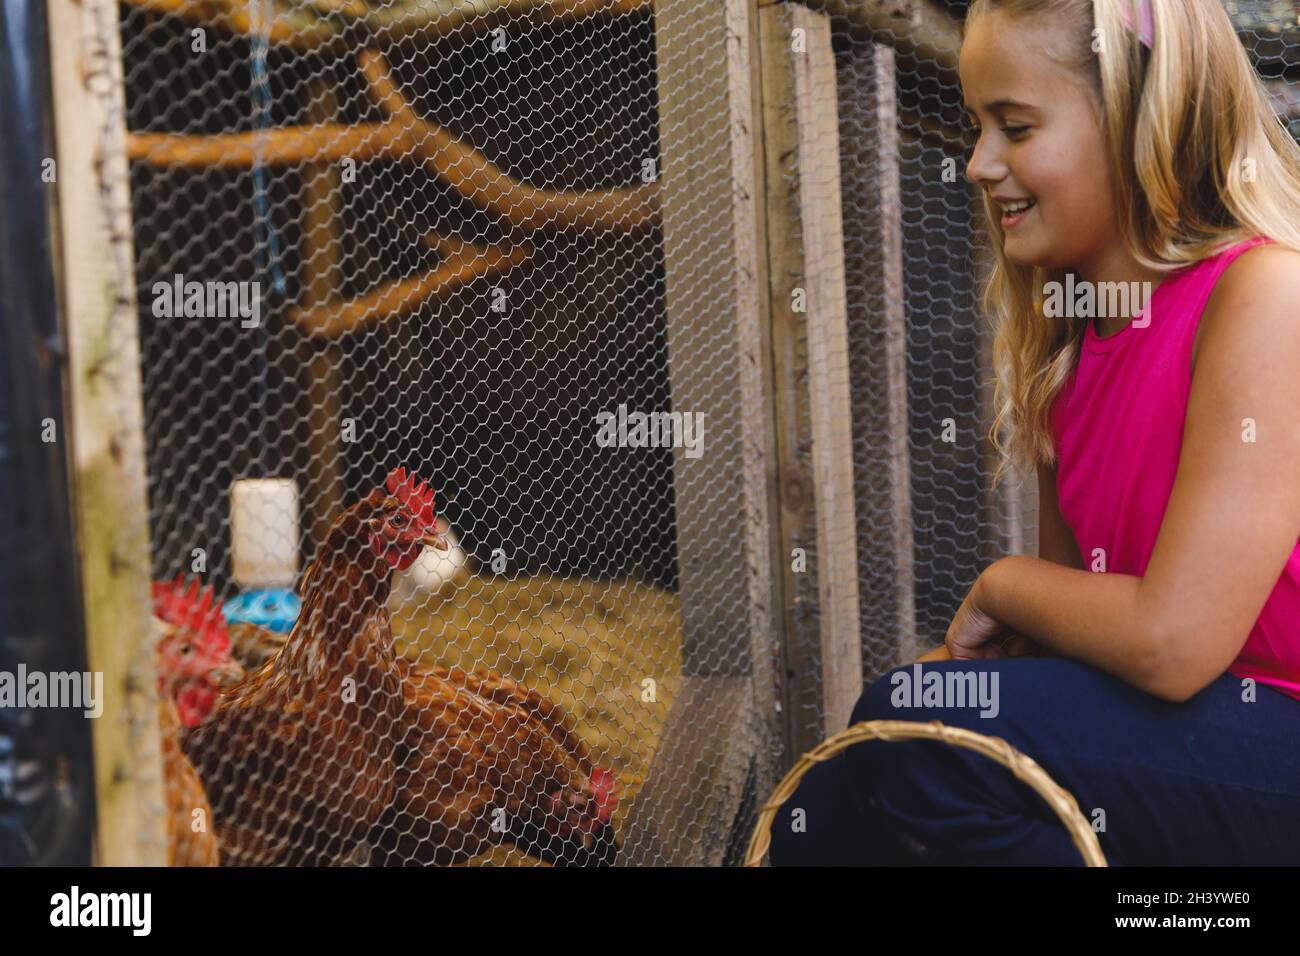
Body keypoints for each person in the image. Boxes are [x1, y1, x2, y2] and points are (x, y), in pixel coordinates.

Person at [769, 0, 1300, 866]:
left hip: (1277, 730)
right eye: (979, 127)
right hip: (1194, 739)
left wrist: (1002, 589)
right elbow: (1079, 634)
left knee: (920, 734)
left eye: (1015, 126)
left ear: (1138, 122)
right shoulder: (1072, 344)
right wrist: (980, 660)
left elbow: (1170, 642)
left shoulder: (1266, 296)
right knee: (866, 760)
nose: (980, 164)